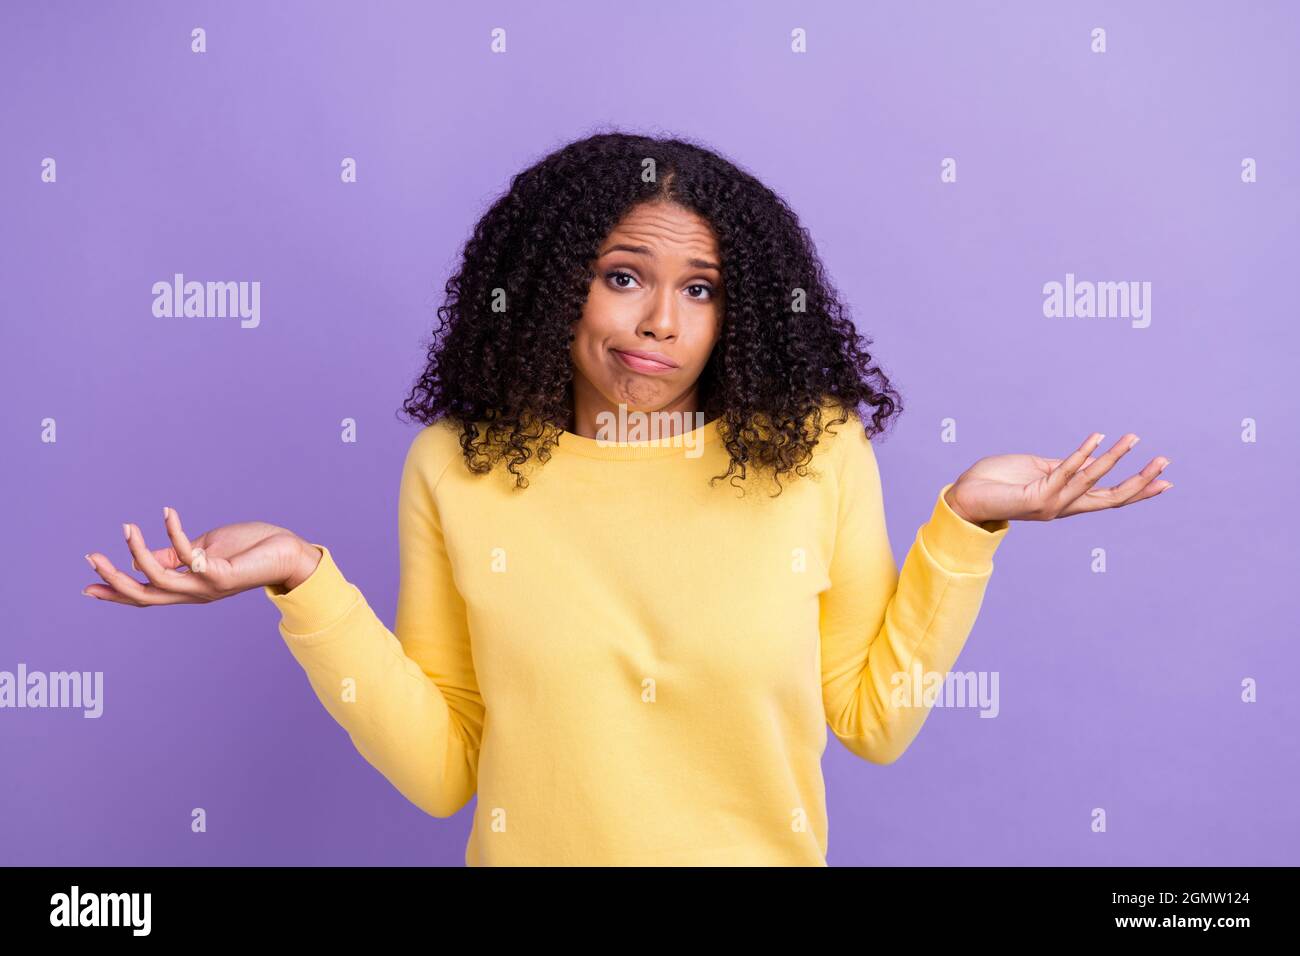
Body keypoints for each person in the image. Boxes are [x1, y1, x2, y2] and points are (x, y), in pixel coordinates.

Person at [81, 131, 1172, 866]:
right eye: (622, 275)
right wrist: (304, 582)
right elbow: (445, 768)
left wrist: (966, 526)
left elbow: (873, 723)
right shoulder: (457, 466)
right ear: (554, 286)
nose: (660, 320)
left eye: (699, 289)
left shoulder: (815, 452)